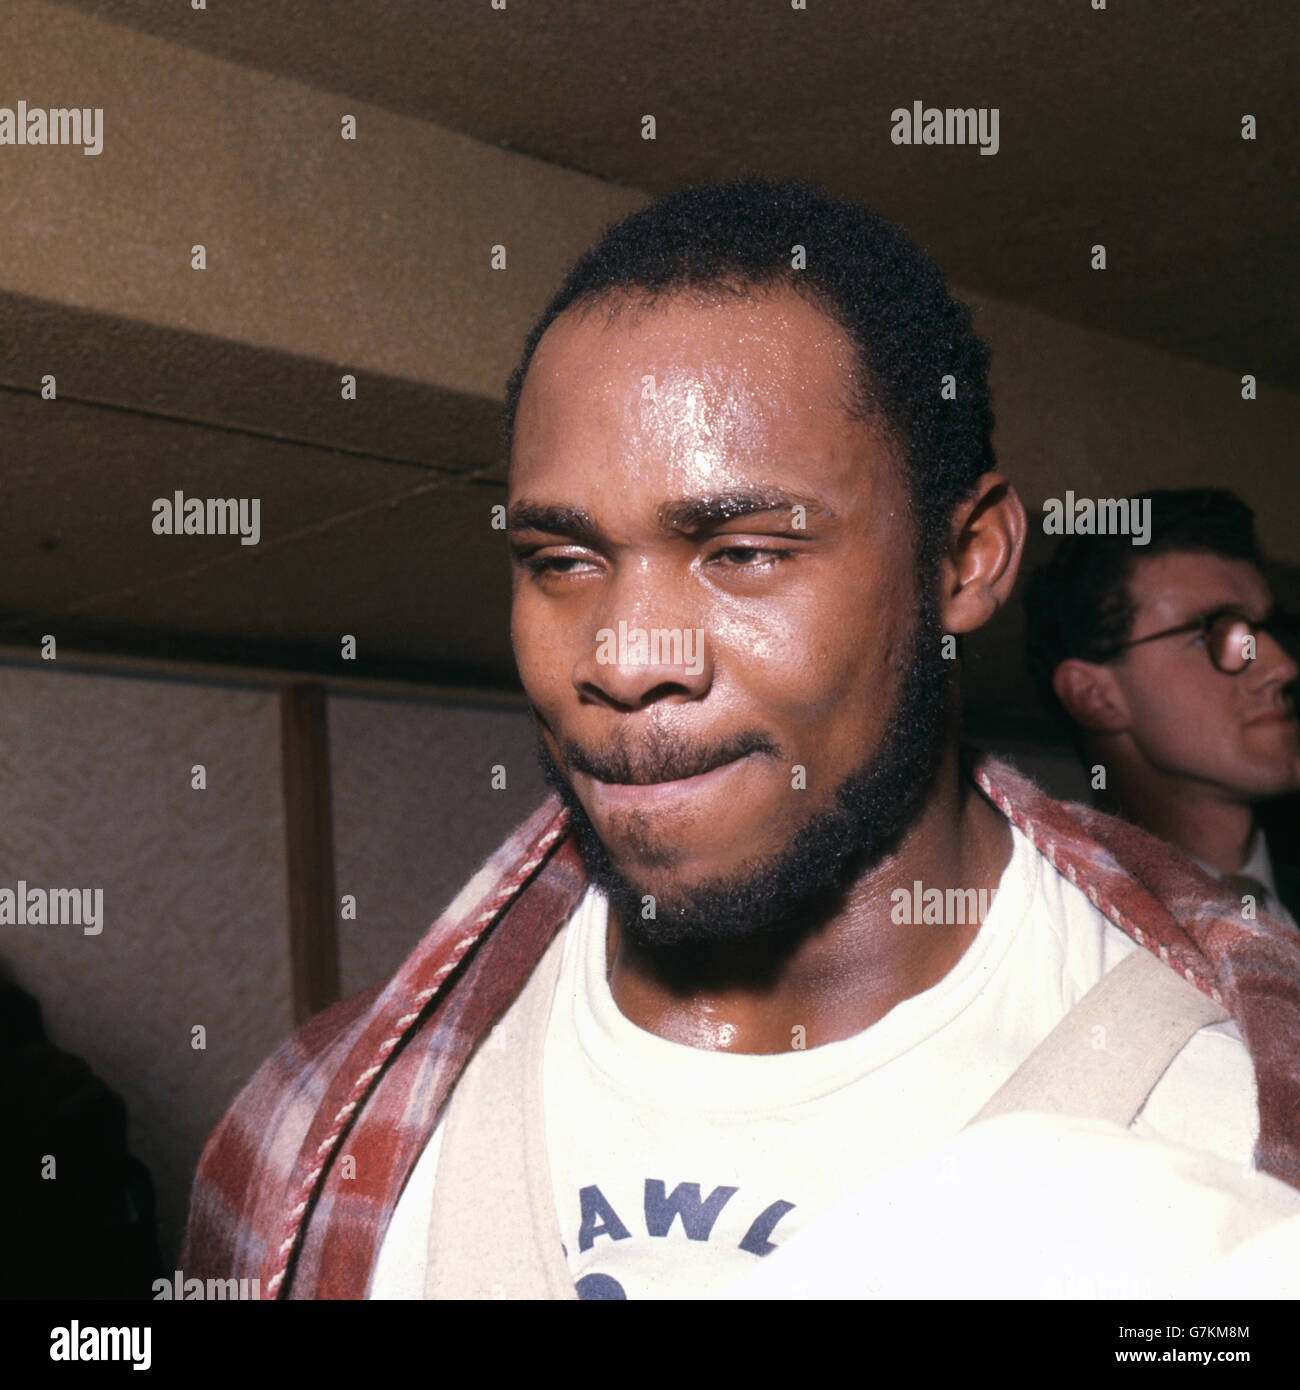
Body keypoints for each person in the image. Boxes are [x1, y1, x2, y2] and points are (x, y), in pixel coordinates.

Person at [183, 179, 1300, 1301]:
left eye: (745, 551)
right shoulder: (314, 1132)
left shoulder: (1232, 1117)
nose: (624, 659)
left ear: (965, 559)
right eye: (560, 562)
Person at [1023, 489, 1300, 929]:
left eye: (1268, 629)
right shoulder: (1047, 933)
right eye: (1214, 633)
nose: (1282, 667)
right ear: (1095, 697)